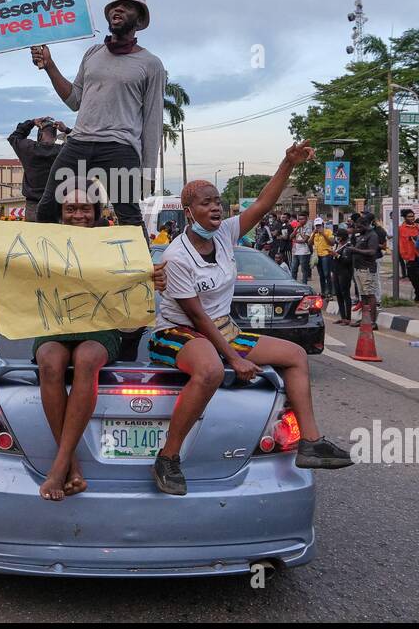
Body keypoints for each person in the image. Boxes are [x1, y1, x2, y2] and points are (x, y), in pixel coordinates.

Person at [148, 141, 353, 495]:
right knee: (210, 369)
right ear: (187, 211)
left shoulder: (226, 233)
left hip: (222, 330)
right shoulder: (177, 255)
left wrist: (287, 163)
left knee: (295, 356)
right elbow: (196, 316)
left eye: (216, 201)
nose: (215, 207)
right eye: (205, 202)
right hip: (178, 333)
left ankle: (311, 442)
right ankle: (168, 457)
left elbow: (263, 203)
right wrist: (234, 359)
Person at [0, 183, 168, 500]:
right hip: (54, 324)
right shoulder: (43, 242)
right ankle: (73, 465)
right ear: (62, 213)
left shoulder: (113, 242)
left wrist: (156, 279)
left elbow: (138, 280)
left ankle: (60, 465)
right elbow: (15, 271)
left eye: (84, 208)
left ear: (95, 213)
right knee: (50, 362)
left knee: (87, 360)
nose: (77, 214)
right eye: (71, 208)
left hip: (100, 326)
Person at [30, 0, 165, 230]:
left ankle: (144, 268)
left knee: (129, 220)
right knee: (47, 208)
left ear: (139, 18)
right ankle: (53, 265)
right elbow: (74, 100)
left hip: (119, 148)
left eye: (127, 6)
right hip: (79, 142)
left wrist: (148, 172)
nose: (118, 9)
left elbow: (153, 120)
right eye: (115, 6)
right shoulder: (93, 53)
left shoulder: (151, 64)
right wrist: (50, 65)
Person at [9, 116, 65, 219]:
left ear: (40, 135)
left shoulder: (29, 149)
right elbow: (79, 143)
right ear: (56, 136)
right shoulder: (63, 151)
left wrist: (32, 122)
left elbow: (14, 137)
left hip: (33, 207)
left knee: (32, 235)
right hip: (56, 207)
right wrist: (66, 130)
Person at [345, 212, 381, 328]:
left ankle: (372, 321)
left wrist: (355, 251)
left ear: (366, 225)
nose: (357, 229)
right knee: (363, 296)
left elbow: (372, 252)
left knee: (370, 295)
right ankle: (364, 319)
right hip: (358, 268)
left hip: (367, 269)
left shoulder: (372, 235)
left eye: (359, 227)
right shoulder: (362, 235)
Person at [397, 209, 419, 305]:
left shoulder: (418, 227)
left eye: (412, 216)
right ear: (405, 217)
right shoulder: (401, 229)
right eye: (409, 216)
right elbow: (400, 243)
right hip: (409, 256)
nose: (412, 218)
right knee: (413, 277)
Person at [331, 220, 355, 325]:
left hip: (344, 273)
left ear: (343, 237)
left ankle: (348, 318)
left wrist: (337, 255)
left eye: (338, 236)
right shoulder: (337, 245)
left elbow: (347, 261)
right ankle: (342, 316)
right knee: (339, 294)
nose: (336, 238)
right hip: (336, 272)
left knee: (345, 294)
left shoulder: (348, 247)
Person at [311, 217, 333, 297]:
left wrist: (323, 233)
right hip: (318, 256)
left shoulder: (328, 231)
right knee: (321, 275)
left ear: (323, 225)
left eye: (319, 225)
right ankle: (323, 291)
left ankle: (329, 292)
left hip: (326, 255)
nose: (318, 227)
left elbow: (332, 243)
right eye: (316, 226)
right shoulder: (315, 234)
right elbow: (309, 243)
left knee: (327, 274)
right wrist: (313, 233)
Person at [290, 215, 314, 284]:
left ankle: (304, 284)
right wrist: (296, 228)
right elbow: (290, 236)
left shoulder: (308, 228)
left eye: (302, 219)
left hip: (304, 252)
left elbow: (305, 240)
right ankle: (293, 284)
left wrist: (295, 240)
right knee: (294, 269)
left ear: (306, 220)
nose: (300, 221)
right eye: (299, 219)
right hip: (296, 251)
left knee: (304, 270)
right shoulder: (297, 228)